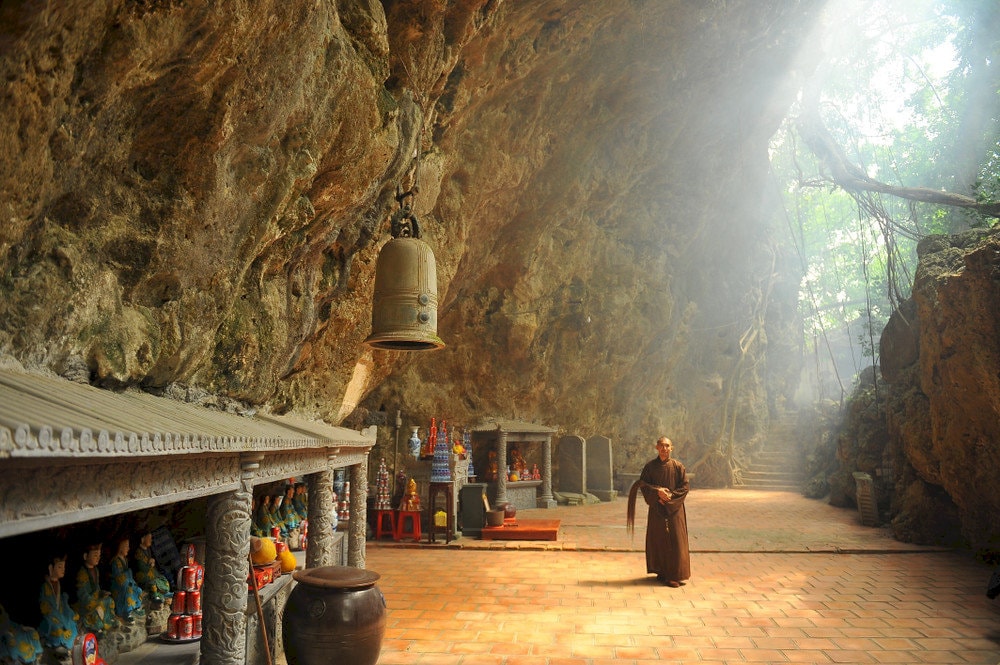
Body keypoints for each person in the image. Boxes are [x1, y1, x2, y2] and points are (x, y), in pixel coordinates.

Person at [627, 436, 690, 587]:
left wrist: (669, 497)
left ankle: (674, 575)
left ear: (671, 448)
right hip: (657, 509)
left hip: (675, 510)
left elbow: (685, 487)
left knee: (676, 541)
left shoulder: (678, 467)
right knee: (659, 540)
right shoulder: (650, 467)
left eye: (667, 446)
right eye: (661, 446)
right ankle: (663, 573)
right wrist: (657, 493)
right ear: (656, 447)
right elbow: (642, 484)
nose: (664, 449)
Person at [38, 552, 79, 652]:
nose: (63, 569)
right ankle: (57, 645)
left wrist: (70, 613)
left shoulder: (59, 584)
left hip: (60, 614)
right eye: (60, 567)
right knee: (56, 627)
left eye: (64, 567)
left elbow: (63, 604)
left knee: (71, 620)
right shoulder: (45, 587)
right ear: (51, 568)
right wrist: (60, 618)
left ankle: (71, 643)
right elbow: (46, 608)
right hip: (50, 616)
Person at [75, 542, 117, 634]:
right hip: (86, 601)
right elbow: (81, 592)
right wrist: (92, 601)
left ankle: (109, 621)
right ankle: (98, 627)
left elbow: (96, 587)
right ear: (86, 556)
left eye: (99, 555)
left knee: (109, 600)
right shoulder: (82, 573)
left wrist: (102, 593)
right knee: (97, 606)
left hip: (95, 597)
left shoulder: (96, 570)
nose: (98, 558)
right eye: (95, 555)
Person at [108, 536, 144, 622]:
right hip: (119, 585)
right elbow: (119, 577)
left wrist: (129, 575)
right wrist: (128, 573)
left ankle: (136, 607)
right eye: (126, 546)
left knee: (138, 589)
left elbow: (128, 574)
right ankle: (126, 612)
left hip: (127, 582)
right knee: (128, 591)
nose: (128, 548)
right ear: (120, 548)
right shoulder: (116, 561)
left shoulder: (125, 559)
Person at [133, 531, 172, 607]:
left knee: (164, 580)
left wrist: (152, 562)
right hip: (143, 576)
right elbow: (141, 567)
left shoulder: (148, 550)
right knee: (153, 583)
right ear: (143, 539)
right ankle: (156, 596)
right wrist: (150, 564)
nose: (151, 540)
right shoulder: (138, 552)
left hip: (151, 573)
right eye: (149, 538)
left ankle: (162, 593)